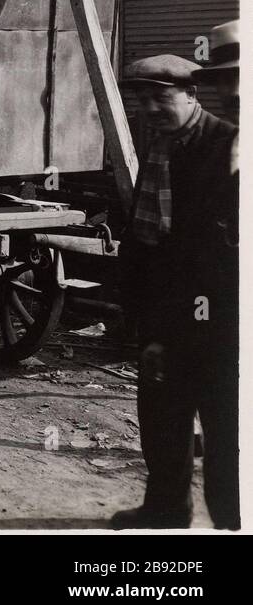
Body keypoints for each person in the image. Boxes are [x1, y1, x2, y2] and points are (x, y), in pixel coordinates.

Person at [111, 54, 238, 529]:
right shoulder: (162, 146)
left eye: (160, 98)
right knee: (163, 417)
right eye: (142, 100)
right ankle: (165, 510)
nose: (150, 109)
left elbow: (214, 254)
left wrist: (180, 321)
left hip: (215, 316)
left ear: (191, 94)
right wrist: (135, 307)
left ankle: (233, 521)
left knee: (225, 428)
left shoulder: (227, 147)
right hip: (164, 309)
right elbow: (144, 236)